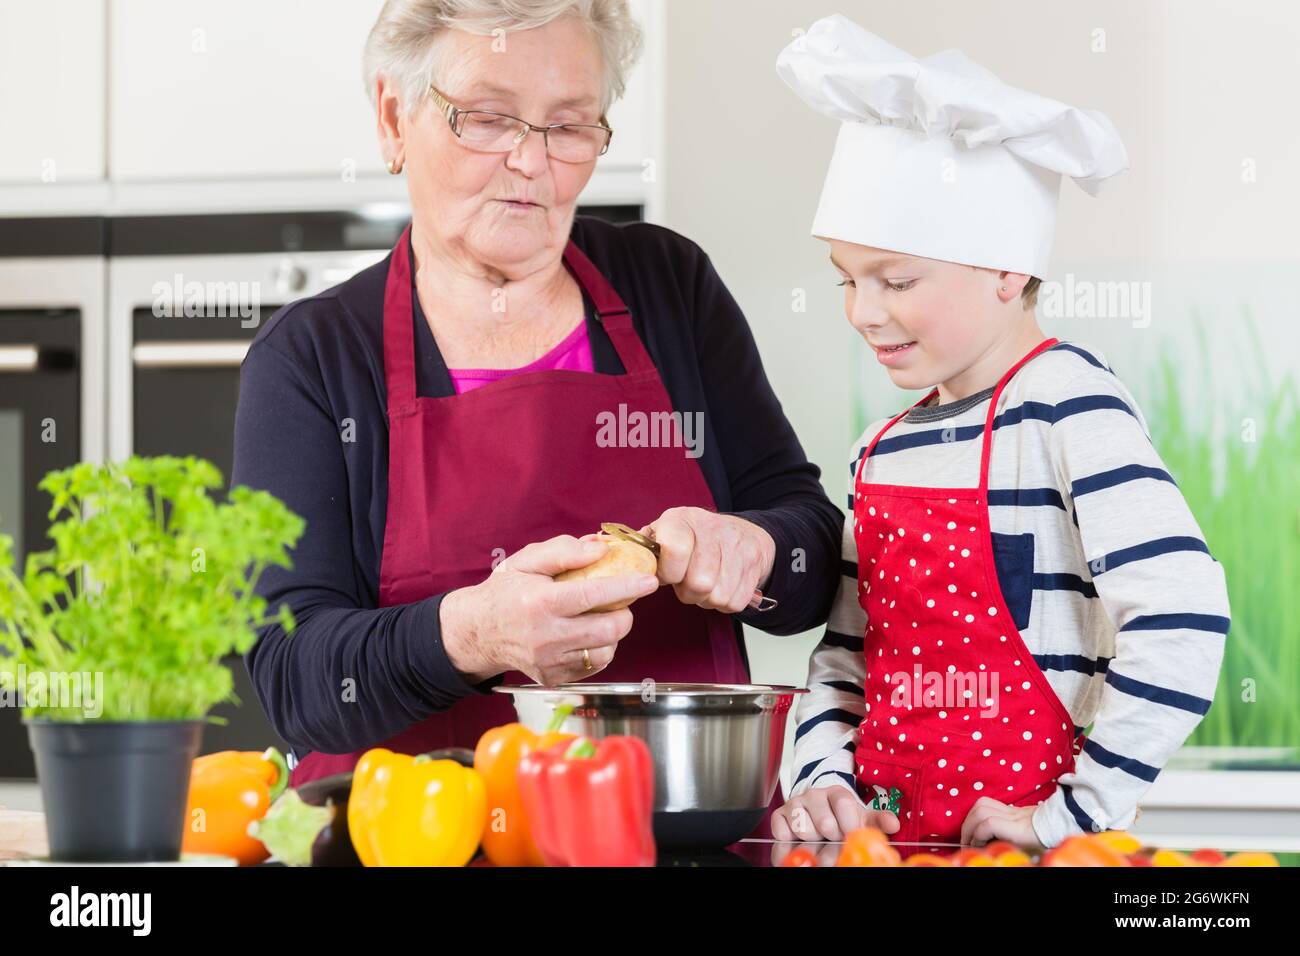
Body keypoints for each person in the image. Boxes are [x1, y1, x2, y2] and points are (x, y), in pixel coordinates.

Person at [231, 0, 842, 802]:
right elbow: (294, 679)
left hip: (677, 833)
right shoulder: (312, 359)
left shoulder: (670, 288)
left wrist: (755, 550)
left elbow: (814, 549)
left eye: (569, 125)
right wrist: (473, 634)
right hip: (415, 846)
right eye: (487, 118)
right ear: (393, 117)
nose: (530, 161)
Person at [771, 15, 1229, 849]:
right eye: (846, 279)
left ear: (1006, 270)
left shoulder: (1066, 406)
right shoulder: (878, 448)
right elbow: (844, 662)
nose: (863, 312)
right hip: (891, 853)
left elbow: (1184, 616)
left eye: (896, 279)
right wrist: (823, 778)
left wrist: (1072, 817)